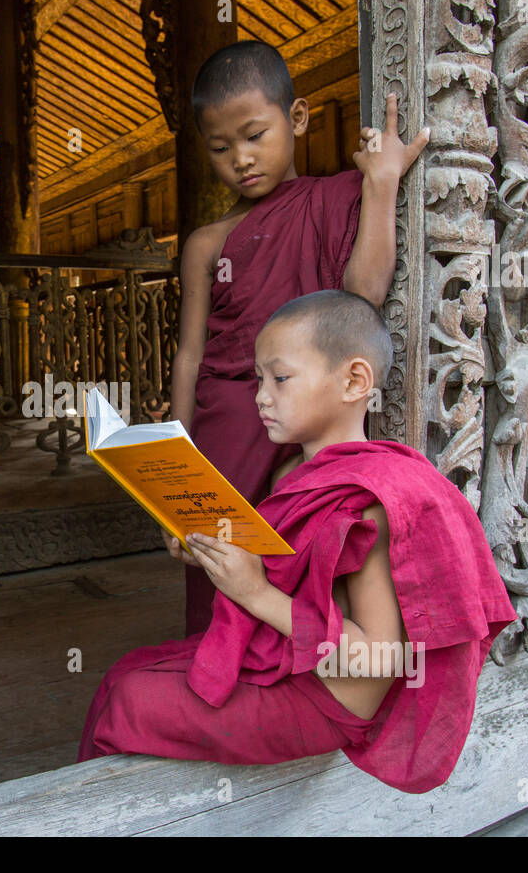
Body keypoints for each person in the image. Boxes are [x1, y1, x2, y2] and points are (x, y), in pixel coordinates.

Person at [79, 290, 519, 794]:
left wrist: (254, 594)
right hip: (288, 668)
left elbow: (379, 659)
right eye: (259, 380)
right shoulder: (298, 473)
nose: (262, 397)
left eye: (280, 379)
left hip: (326, 701)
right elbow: (294, 573)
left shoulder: (374, 496)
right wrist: (213, 553)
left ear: (354, 381)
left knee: (128, 699)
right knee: (126, 671)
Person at [170, 40, 430, 637]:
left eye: (255, 134)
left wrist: (382, 185)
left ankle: (290, 692)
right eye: (220, 147)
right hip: (225, 430)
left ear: (298, 118)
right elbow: (190, 355)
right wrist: (180, 466)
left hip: (302, 422)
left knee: (294, 563)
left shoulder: (333, 198)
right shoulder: (207, 244)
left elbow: (360, 297)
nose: (241, 157)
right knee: (214, 571)